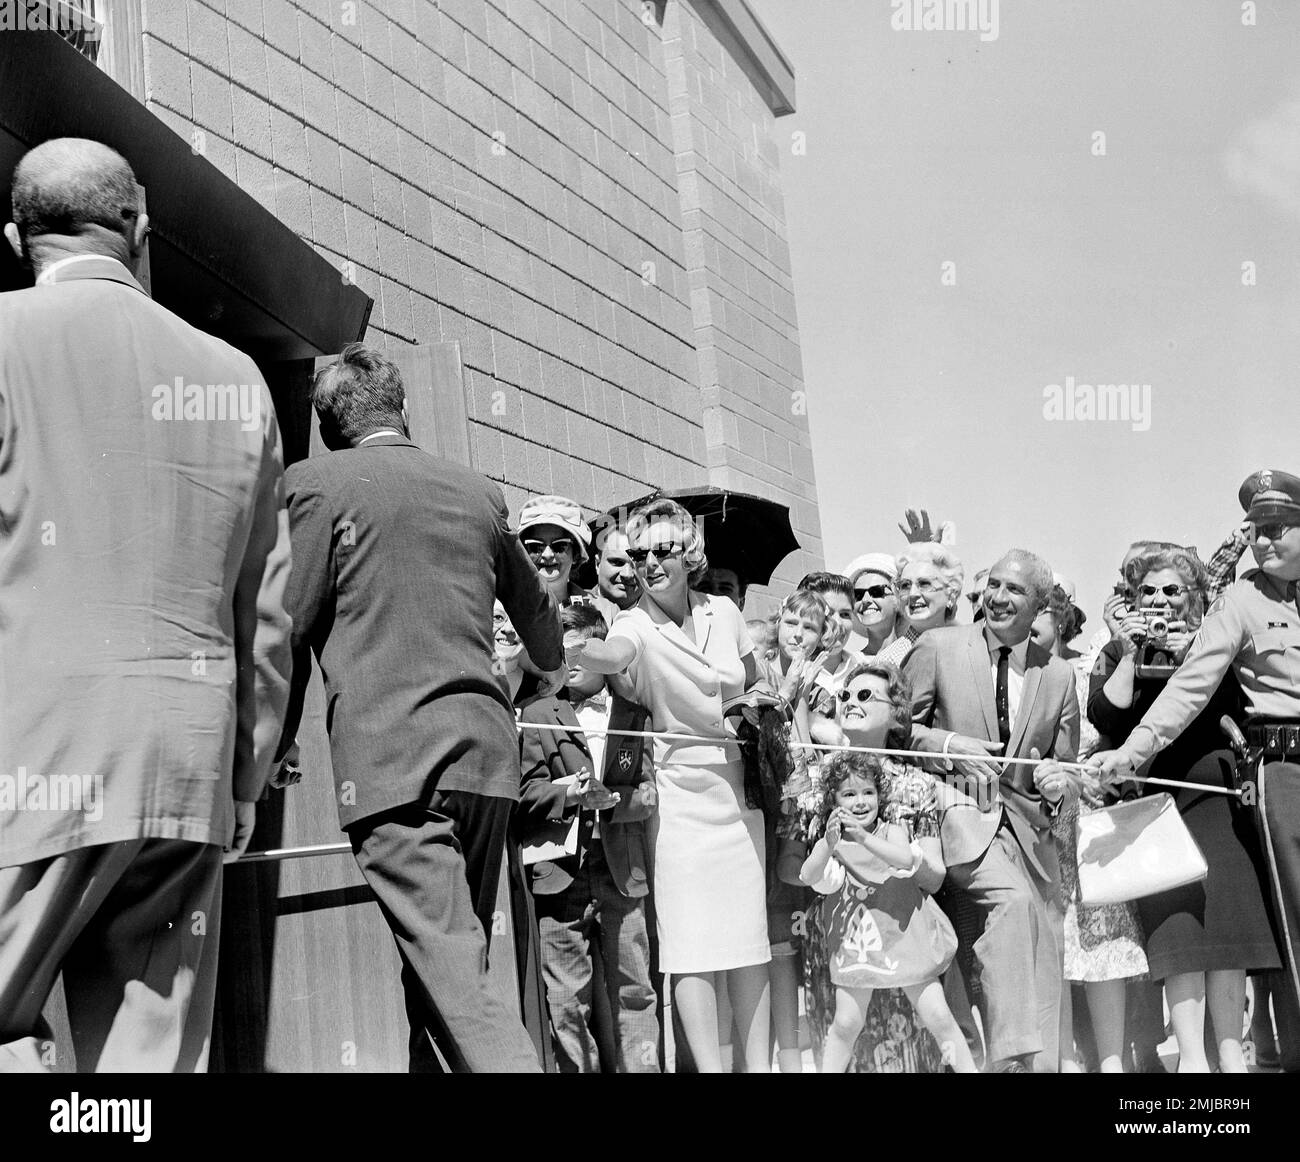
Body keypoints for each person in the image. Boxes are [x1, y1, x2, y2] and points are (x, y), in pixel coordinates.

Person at [0, 139, 292, 1072]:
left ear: (16, 238)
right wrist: (245, 778)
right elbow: (267, 610)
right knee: (149, 1056)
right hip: (184, 765)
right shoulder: (235, 378)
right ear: (138, 228)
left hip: (30, 751)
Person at [275, 343, 564, 1073]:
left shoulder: (315, 484)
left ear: (328, 427)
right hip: (483, 763)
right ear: (404, 410)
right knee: (441, 967)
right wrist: (538, 679)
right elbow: (544, 633)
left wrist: (273, 744)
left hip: (392, 768)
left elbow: (289, 630)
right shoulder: (475, 490)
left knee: (453, 977)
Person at [567, 497, 770, 1071]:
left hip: (736, 789)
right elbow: (612, 654)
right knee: (692, 946)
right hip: (678, 797)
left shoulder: (724, 612)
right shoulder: (634, 622)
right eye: (637, 553)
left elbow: (753, 678)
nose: (648, 563)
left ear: (690, 552)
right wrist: (574, 645)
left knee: (749, 941)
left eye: (662, 550)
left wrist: (756, 706)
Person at [1090, 539, 1284, 1072]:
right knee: (1178, 934)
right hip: (1155, 809)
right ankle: (1194, 1061)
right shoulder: (1115, 652)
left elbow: (1233, 705)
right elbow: (1107, 717)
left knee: (1226, 930)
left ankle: (1231, 1053)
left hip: (1218, 798)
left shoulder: (1217, 639)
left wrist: (1190, 651)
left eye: (1172, 590)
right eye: (1146, 591)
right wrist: (1129, 651)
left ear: (1196, 595)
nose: (1160, 600)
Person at [903, 549, 1080, 1072]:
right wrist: (948, 744)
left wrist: (1057, 782)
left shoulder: (1060, 674)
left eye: (1015, 591)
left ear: (1042, 605)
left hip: (1031, 832)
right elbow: (892, 733)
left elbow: (1067, 769)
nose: (998, 599)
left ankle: (1041, 1066)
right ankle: (1007, 1059)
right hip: (959, 814)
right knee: (1013, 903)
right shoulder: (938, 646)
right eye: (994, 586)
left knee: (1044, 952)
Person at [517, 604, 660, 1073]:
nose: (572, 658)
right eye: (561, 649)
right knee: (566, 995)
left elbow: (650, 791)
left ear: (602, 653)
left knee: (635, 986)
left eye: (583, 648)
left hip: (623, 869)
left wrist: (614, 802)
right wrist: (568, 795)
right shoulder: (535, 713)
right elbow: (522, 792)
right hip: (560, 872)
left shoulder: (633, 712)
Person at [802, 661, 955, 1073]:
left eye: (866, 695)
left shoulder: (916, 784)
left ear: (897, 713)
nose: (851, 702)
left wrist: (890, 858)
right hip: (842, 937)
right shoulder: (813, 780)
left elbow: (935, 875)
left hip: (902, 932)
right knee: (843, 1031)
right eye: (846, 696)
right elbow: (796, 865)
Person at [800, 751, 976, 1073]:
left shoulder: (892, 832)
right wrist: (827, 843)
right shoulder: (833, 843)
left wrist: (864, 838)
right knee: (846, 1022)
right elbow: (808, 877)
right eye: (849, 794)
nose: (860, 801)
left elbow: (905, 860)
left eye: (868, 792)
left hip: (904, 939)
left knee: (937, 1015)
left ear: (880, 796)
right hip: (859, 945)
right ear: (834, 801)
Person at [1034, 585, 1147, 1072]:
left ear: (1061, 619)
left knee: (1104, 938)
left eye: (1042, 611)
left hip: (1093, 816)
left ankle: (1113, 1061)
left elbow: (1113, 728)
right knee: (1049, 940)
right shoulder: (1009, 676)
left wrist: (1092, 776)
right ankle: (1064, 1057)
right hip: (1036, 818)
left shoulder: (1088, 666)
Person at [877, 543, 964, 669]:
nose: (913, 594)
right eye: (905, 585)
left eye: (924, 584)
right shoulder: (889, 662)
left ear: (951, 593)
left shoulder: (969, 648)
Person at [518, 494, 594, 609]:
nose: (547, 555)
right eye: (536, 547)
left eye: (559, 546)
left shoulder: (602, 609)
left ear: (576, 555)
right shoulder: (503, 606)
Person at [843, 553, 900, 657]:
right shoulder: (851, 665)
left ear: (897, 599)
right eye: (858, 594)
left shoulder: (914, 654)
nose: (865, 600)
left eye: (876, 591)